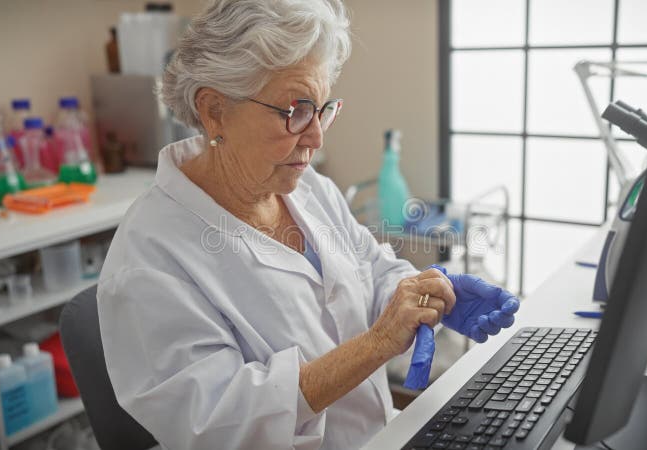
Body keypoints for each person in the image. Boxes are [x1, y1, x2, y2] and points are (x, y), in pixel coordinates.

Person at [96, 0, 520, 449]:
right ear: (214, 111)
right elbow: (219, 426)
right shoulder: (149, 259)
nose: (316, 137)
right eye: (295, 110)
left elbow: (371, 268)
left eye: (322, 109)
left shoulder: (305, 187)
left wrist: (424, 293)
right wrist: (377, 343)